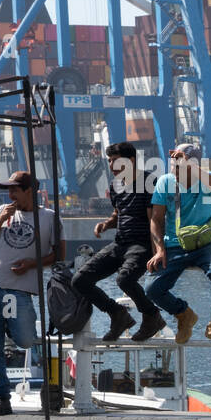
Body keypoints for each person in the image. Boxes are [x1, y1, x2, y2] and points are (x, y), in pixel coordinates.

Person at [0, 171, 65, 416]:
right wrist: (0, 220)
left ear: (29, 191)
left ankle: (8, 326)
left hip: (20, 288)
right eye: (9, 190)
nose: (10, 194)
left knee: (25, 339)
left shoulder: (49, 218)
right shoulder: (1, 211)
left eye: (15, 189)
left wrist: (32, 264)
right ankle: (2, 397)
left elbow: (59, 254)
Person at [70, 141, 167, 342]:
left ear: (131, 160)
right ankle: (118, 314)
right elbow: (119, 213)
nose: (111, 165)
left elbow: (155, 220)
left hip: (141, 245)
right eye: (110, 161)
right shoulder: (116, 186)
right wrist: (106, 224)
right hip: (120, 243)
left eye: (115, 161)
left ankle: (151, 315)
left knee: (125, 279)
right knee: (80, 280)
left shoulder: (150, 182)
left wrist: (158, 251)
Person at [145, 142, 211, 343]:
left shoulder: (210, 181)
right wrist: (159, 250)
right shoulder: (165, 182)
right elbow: (156, 219)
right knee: (152, 288)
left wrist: (191, 165)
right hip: (175, 244)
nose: (174, 169)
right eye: (172, 165)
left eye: (179, 165)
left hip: (207, 243)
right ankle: (184, 315)